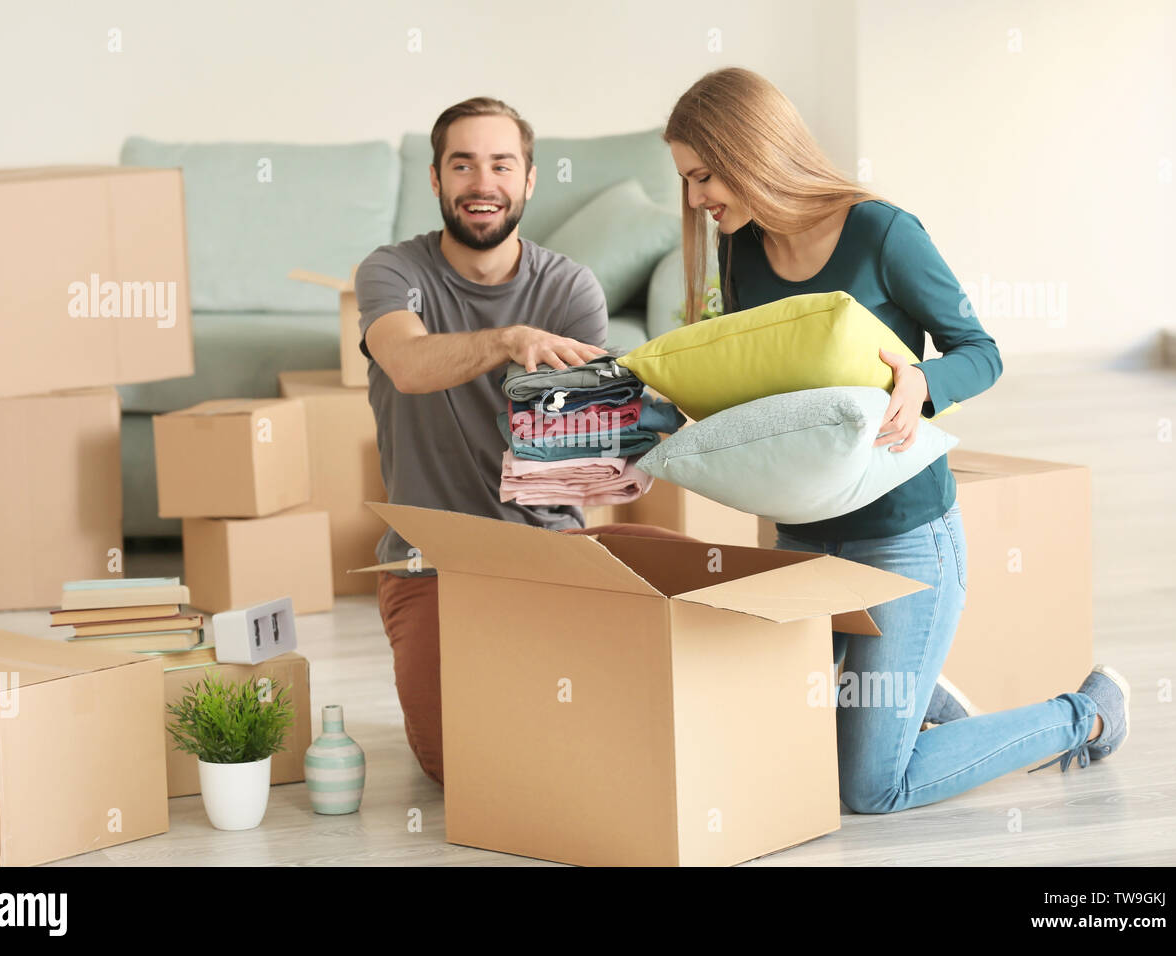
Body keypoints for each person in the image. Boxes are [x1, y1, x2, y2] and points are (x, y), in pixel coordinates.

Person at [661, 67, 1129, 813]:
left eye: (704, 174)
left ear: (749, 150)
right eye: (686, 179)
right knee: (769, 738)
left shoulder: (882, 232)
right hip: (803, 539)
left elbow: (981, 350)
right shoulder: (739, 251)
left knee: (872, 787)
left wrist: (920, 381)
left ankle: (1089, 712)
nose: (694, 198)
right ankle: (913, 685)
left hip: (904, 539)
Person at [356, 96, 695, 785]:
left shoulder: (570, 287)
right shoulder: (394, 274)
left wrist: (627, 446)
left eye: (501, 165)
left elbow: (575, 461)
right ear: (436, 179)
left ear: (529, 180)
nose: (483, 183)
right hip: (431, 563)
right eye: (464, 164)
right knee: (461, 766)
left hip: (548, 551)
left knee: (706, 576)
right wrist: (512, 341)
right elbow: (408, 365)